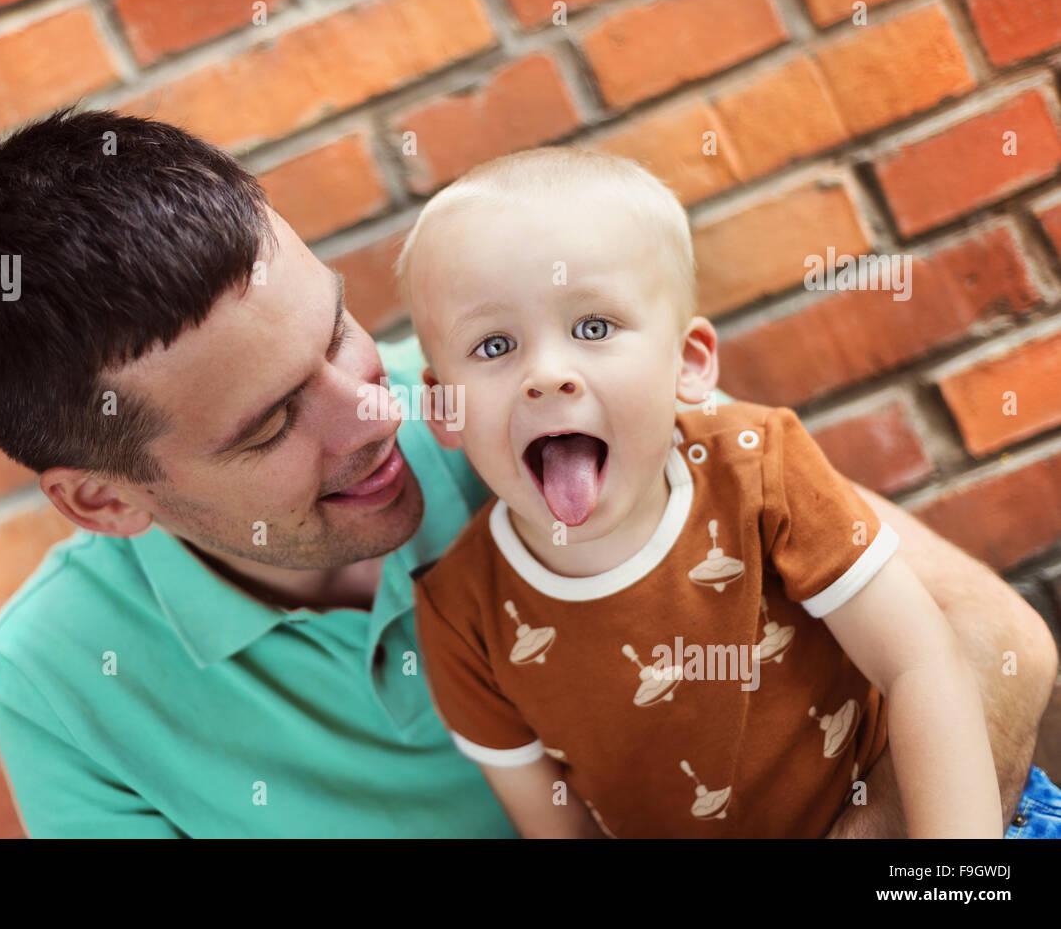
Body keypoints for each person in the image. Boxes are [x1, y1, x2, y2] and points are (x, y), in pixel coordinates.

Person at [0, 109, 1057, 837]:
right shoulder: (61, 679)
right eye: (267, 425)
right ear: (104, 497)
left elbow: (989, 644)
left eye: (340, 331)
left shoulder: (515, 397)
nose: (375, 413)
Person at [399, 147, 1027, 838]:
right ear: (445, 410)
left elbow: (920, 663)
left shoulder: (759, 468)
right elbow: (558, 828)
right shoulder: (461, 615)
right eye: (493, 346)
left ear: (689, 363)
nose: (548, 375)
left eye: (594, 327)